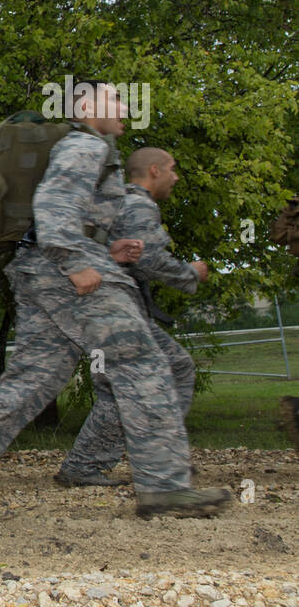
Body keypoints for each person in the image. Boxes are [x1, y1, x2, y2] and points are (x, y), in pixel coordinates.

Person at [0, 80, 230, 518]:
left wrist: (106, 250)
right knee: (143, 362)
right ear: (84, 105)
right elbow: (54, 206)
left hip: (36, 269)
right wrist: (76, 261)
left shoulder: (86, 148)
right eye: (115, 99)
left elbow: (71, 218)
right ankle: (165, 487)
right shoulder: (86, 145)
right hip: (67, 271)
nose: (123, 108)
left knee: (37, 372)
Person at [58, 147, 207, 485]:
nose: (176, 176)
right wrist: (191, 273)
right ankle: (160, 457)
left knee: (117, 387)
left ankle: (85, 467)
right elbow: (151, 259)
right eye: (173, 168)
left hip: (102, 312)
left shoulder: (116, 203)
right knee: (174, 370)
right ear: (154, 171)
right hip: (113, 315)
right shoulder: (138, 204)